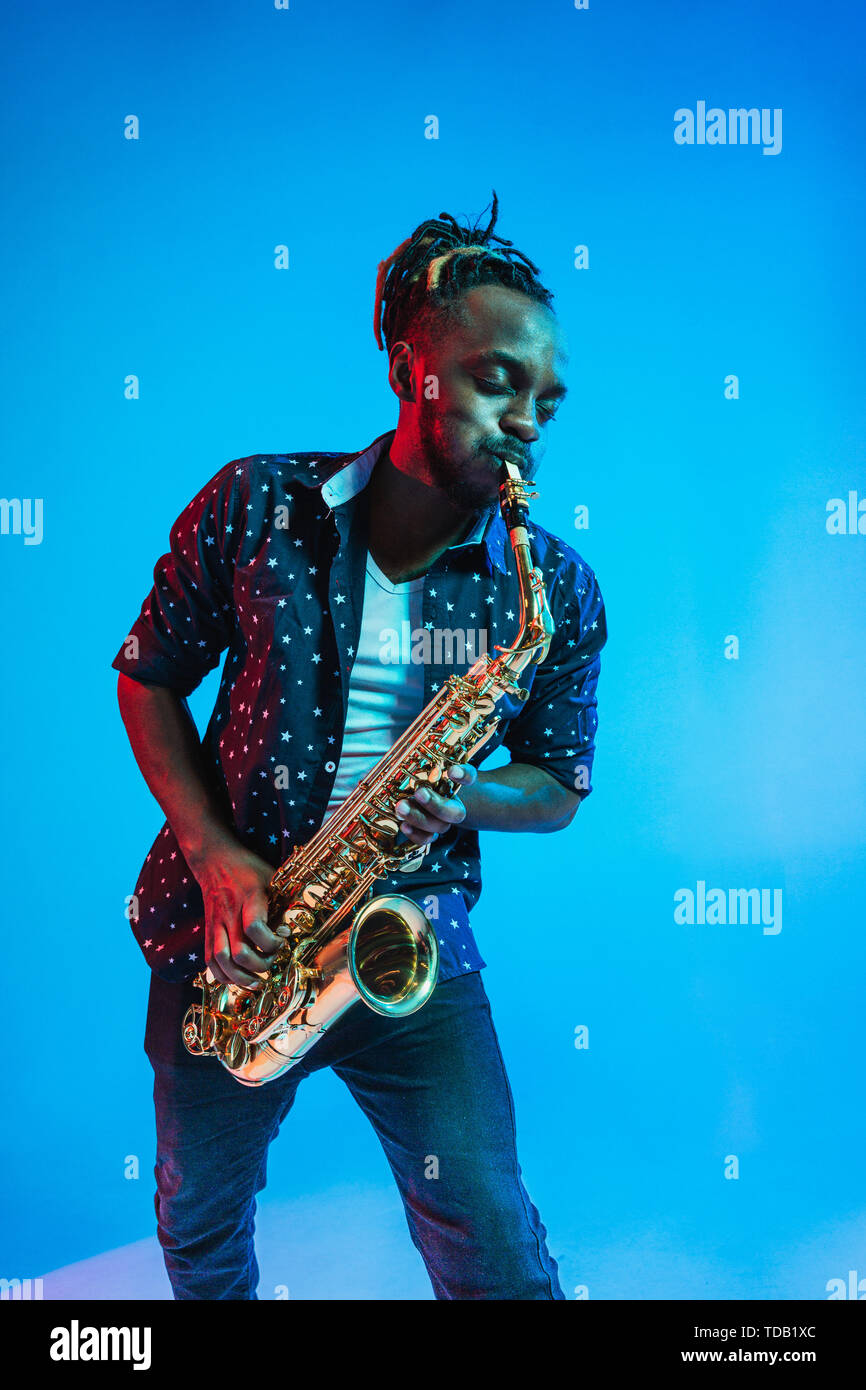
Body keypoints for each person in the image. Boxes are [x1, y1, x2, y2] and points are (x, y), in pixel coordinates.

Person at [113, 191, 608, 1300]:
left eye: (545, 399)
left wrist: (468, 799)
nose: (525, 416)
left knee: (490, 1233)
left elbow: (559, 786)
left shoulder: (555, 593)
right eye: (495, 380)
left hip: (402, 941)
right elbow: (146, 676)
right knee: (198, 1214)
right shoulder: (254, 505)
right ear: (409, 367)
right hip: (231, 937)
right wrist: (215, 857)